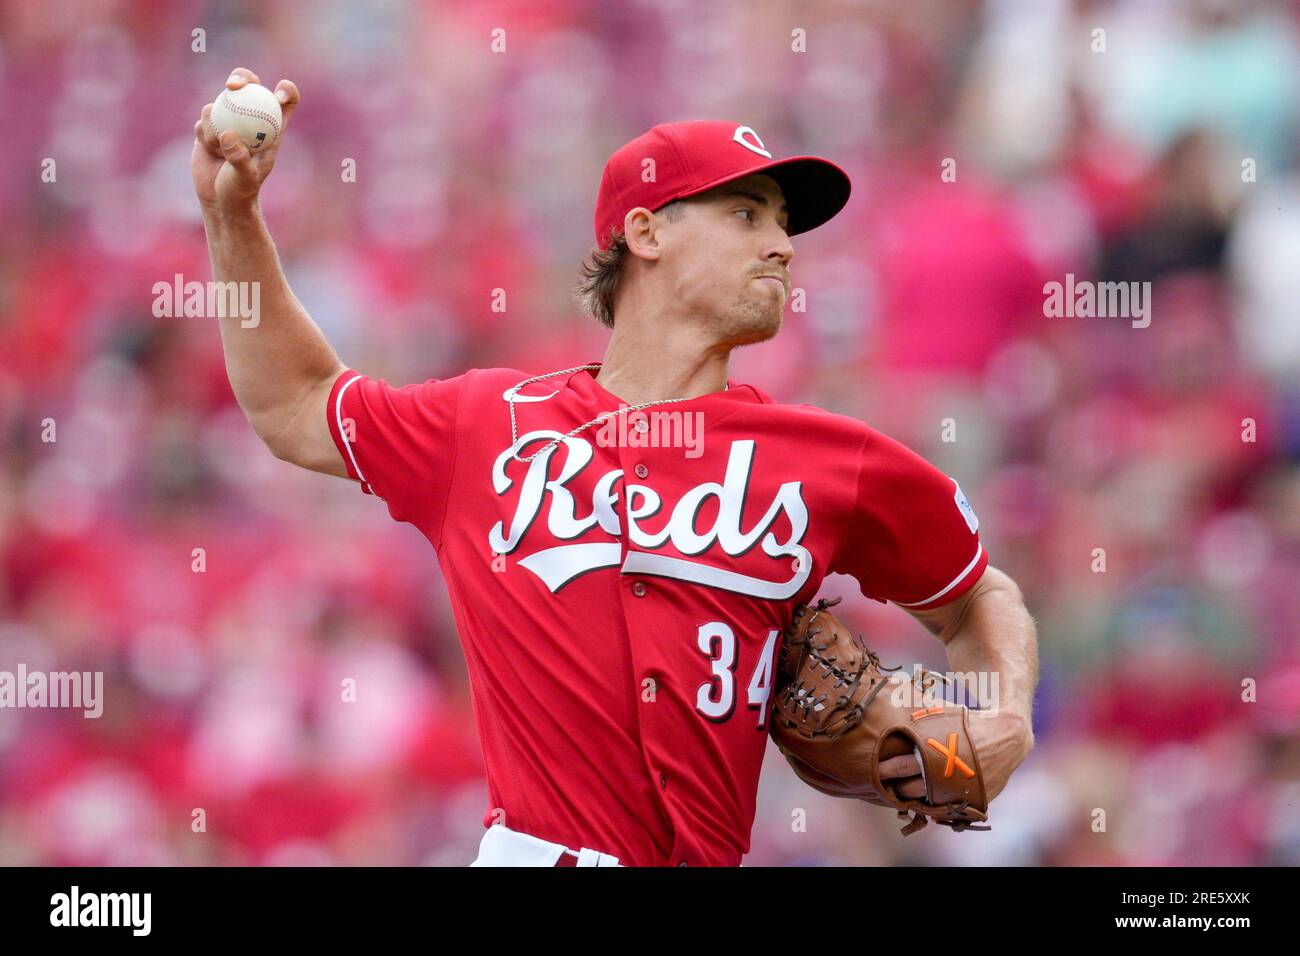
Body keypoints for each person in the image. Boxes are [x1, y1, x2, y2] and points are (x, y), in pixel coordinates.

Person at [192, 67, 1038, 867]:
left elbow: (977, 598)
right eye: (747, 214)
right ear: (646, 231)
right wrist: (233, 216)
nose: (782, 245)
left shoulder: (831, 458)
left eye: (784, 222)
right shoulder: (487, 425)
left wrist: (1002, 727)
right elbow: (296, 404)